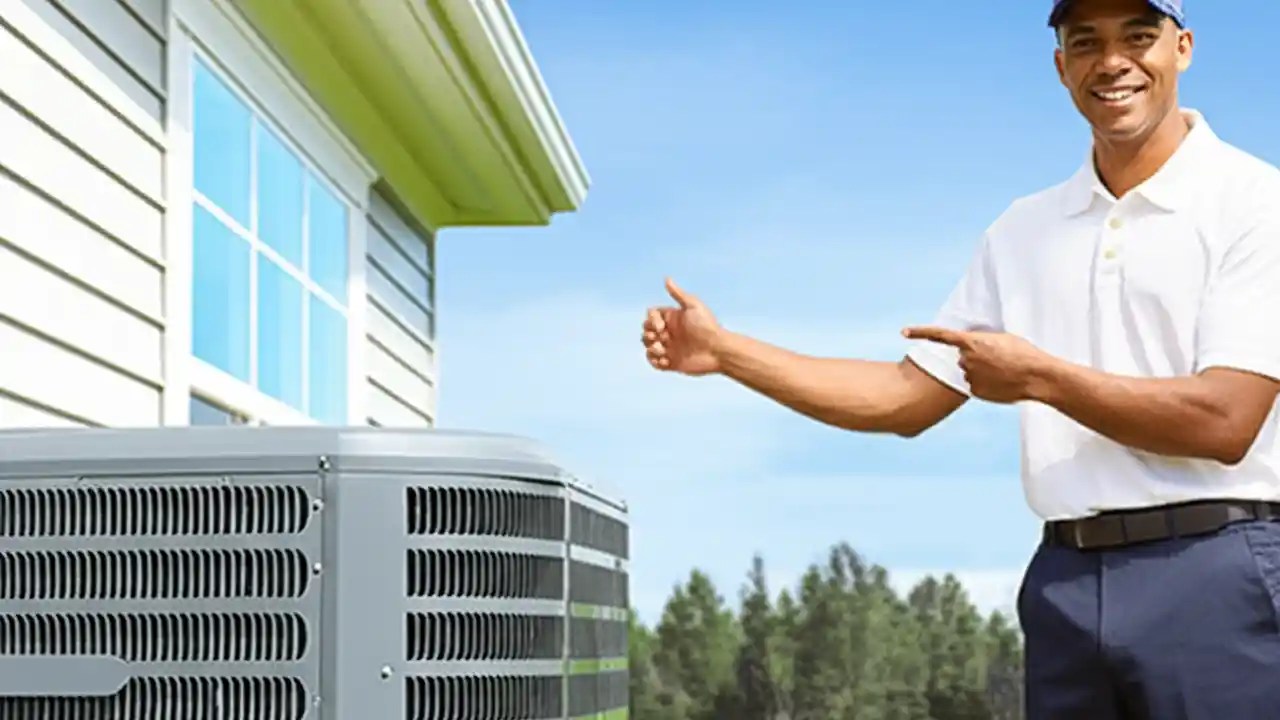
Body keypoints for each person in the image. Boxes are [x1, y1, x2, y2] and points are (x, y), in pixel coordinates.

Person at [641, 0, 1280, 717]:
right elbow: (908, 397)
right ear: (1060, 64)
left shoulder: (1255, 203)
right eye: (1085, 41)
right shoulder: (1021, 230)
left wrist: (1039, 377)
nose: (1112, 62)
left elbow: (1227, 420)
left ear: (1183, 48)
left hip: (1218, 567)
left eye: (1139, 36)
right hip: (1066, 578)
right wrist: (728, 352)